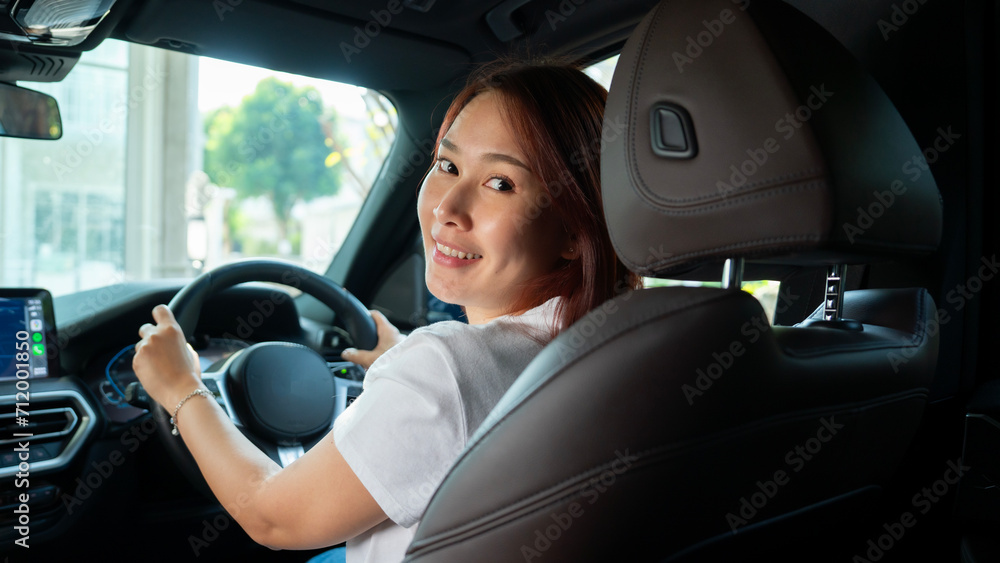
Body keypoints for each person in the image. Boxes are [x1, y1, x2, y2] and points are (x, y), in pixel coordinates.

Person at [132, 59, 641, 563]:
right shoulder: (625, 343)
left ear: (576, 230)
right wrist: (406, 368)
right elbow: (470, 394)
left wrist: (182, 387)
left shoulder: (443, 371)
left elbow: (273, 518)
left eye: (501, 183)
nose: (447, 208)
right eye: (448, 166)